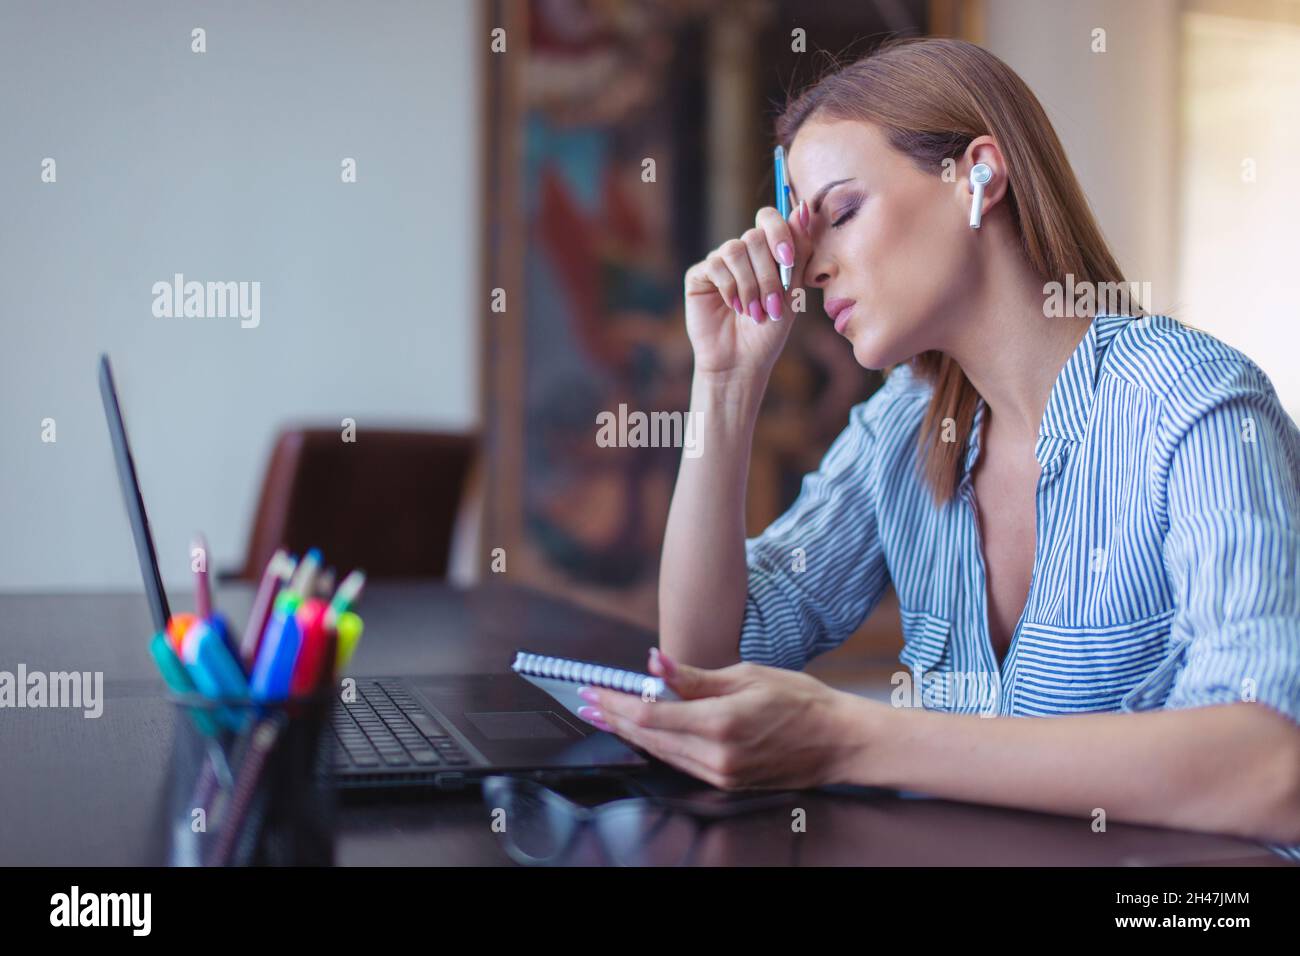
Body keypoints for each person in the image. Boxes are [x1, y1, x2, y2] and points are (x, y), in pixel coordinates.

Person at [572, 37, 1300, 851]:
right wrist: (727, 386)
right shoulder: (905, 424)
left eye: (842, 213)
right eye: (806, 236)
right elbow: (706, 662)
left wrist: (853, 736)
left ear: (978, 176)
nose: (810, 268)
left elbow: (1270, 768)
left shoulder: (1194, 404)